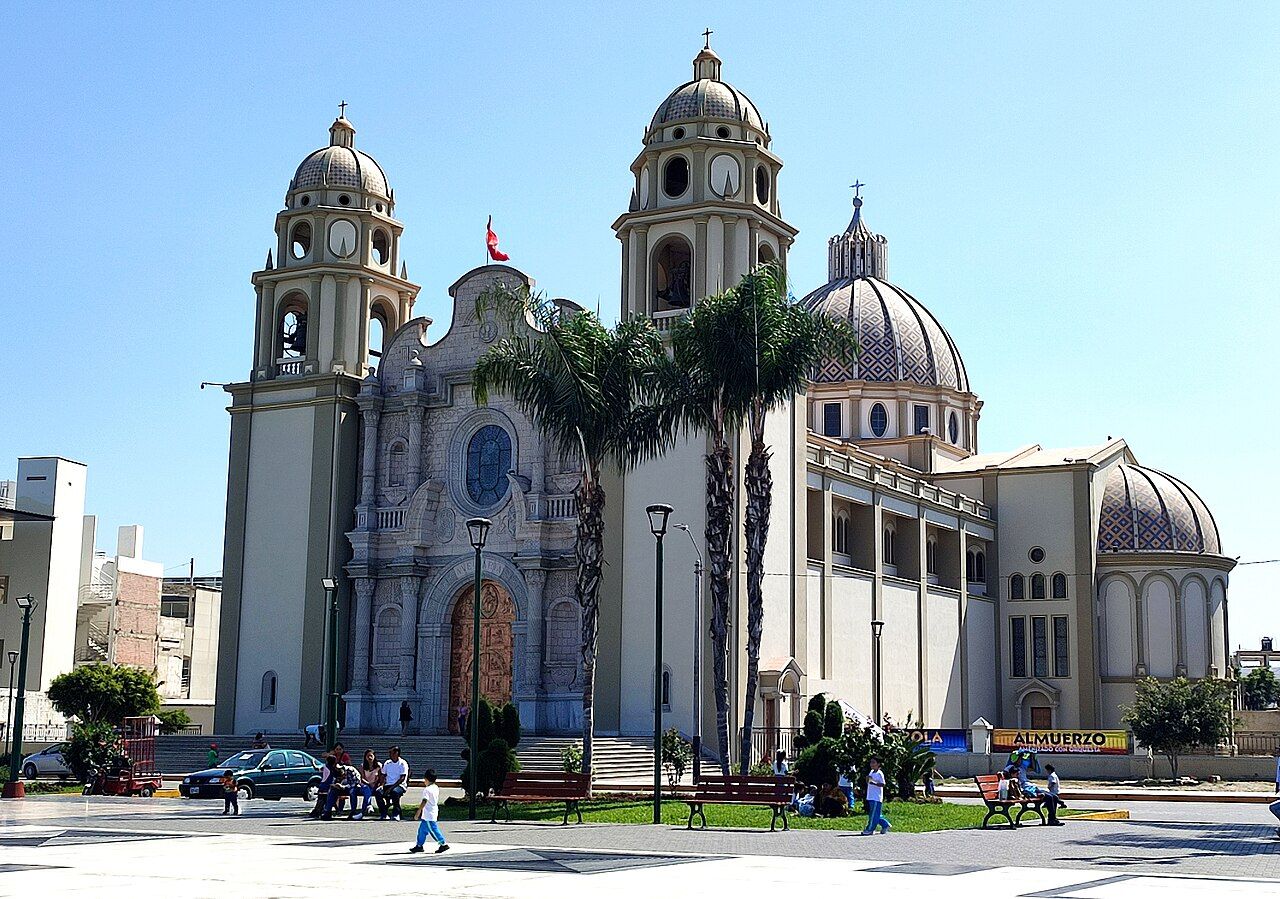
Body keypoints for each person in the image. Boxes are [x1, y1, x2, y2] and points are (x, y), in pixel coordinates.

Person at [409, 769, 450, 854]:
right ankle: (419, 845)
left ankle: (443, 843)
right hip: (431, 812)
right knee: (422, 830)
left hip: (429, 815)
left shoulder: (427, 790)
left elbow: (424, 801)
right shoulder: (435, 787)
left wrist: (418, 811)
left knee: (433, 829)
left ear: (426, 779)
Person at [351, 750, 384, 820]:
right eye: (367, 756)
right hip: (365, 785)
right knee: (366, 791)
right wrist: (369, 784)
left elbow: (381, 778)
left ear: (374, 757)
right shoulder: (362, 766)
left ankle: (364, 811)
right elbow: (361, 778)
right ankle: (366, 808)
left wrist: (377, 784)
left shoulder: (379, 766)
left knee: (370, 793)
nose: (369, 757)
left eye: (371, 756)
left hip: (375, 785)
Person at [861, 756, 890, 835]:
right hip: (870, 795)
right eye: (871, 762)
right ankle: (885, 824)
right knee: (874, 814)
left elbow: (883, 784)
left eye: (874, 762)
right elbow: (869, 781)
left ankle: (870, 829)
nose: (872, 764)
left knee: (874, 815)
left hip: (876, 797)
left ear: (878, 764)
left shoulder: (879, 773)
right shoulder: (871, 772)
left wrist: (874, 783)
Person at [381, 745, 410, 821]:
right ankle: (383, 813)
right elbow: (383, 775)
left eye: (391, 752)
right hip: (388, 785)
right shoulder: (387, 763)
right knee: (378, 792)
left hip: (399, 785)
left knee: (394, 792)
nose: (389, 754)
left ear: (396, 753)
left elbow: (402, 778)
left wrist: (390, 789)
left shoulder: (403, 763)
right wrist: (381, 785)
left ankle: (396, 813)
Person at [309, 755, 337, 819]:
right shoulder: (333, 769)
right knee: (326, 798)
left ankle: (317, 811)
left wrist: (313, 762)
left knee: (321, 798)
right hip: (329, 786)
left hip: (323, 785)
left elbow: (316, 768)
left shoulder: (325, 767)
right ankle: (321, 811)